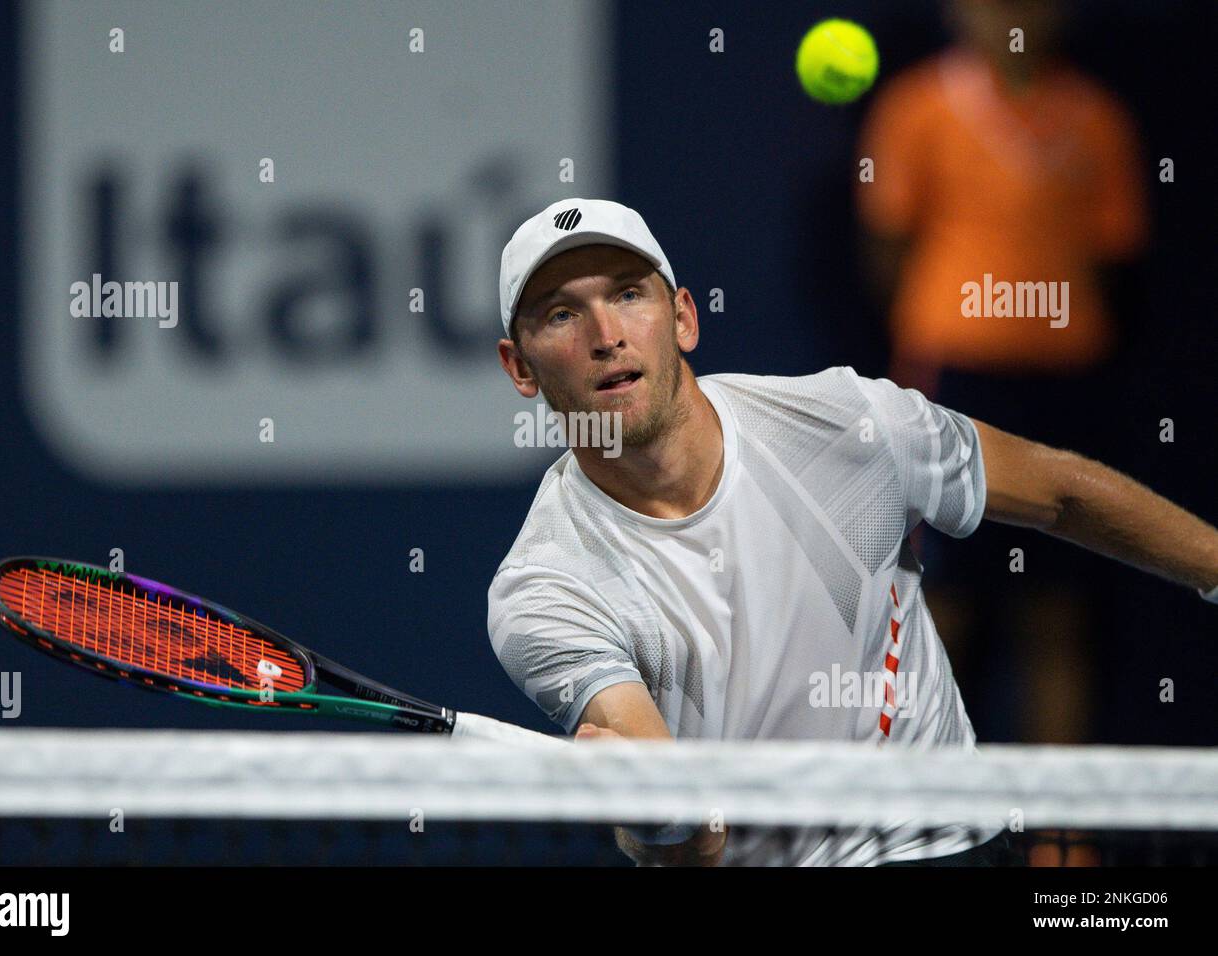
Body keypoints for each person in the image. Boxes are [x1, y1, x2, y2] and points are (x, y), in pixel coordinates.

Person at [487, 198, 1216, 866]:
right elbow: (696, 840)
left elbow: (1057, 492)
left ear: (682, 318)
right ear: (519, 367)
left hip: (939, 850)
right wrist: (649, 814)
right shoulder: (546, 585)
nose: (606, 336)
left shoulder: (853, 427)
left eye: (626, 294)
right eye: (560, 315)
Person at [856, 0, 1149, 752]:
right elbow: (886, 246)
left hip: (1066, 385)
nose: (1011, 14)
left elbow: (1114, 254)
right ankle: (924, 822)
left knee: (1059, 614)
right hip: (955, 383)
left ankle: (1061, 845)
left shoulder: (1098, 119)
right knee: (941, 607)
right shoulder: (916, 108)